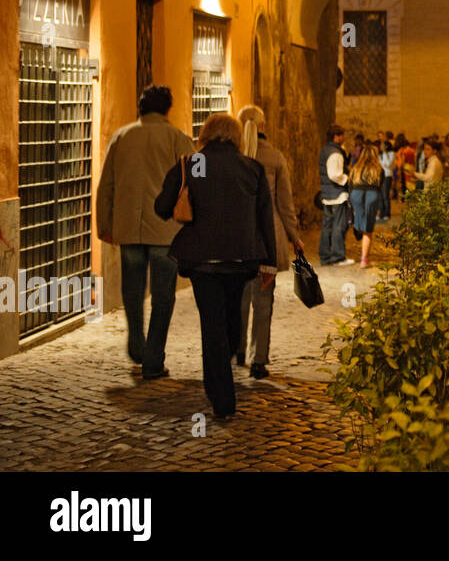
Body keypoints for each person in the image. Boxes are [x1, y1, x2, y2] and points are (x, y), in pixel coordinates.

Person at [154, 114, 277, 418]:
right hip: (241, 259)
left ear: (205, 134)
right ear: (236, 137)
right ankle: (226, 372)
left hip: (204, 260)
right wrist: (269, 264)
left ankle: (221, 395)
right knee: (231, 319)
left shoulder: (194, 163)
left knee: (212, 325)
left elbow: (162, 207)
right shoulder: (251, 168)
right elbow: (265, 219)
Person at [95, 85, 195, 379]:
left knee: (132, 290)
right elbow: (195, 180)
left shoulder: (121, 137)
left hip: (129, 228)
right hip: (165, 230)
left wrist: (105, 226)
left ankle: (136, 344)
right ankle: (153, 358)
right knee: (163, 296)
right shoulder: (178, 138)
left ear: (141, 107)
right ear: (167, 108)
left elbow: (106, 185)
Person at [235, 105, 305, 379]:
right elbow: (285, 204)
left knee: (239, 298)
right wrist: (294, 236)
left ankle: (238, 350)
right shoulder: (275, 157)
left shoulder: (235, 158)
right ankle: (259, 359)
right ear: (263, 125)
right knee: (263, 301)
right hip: (268, 239)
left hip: (239, 238)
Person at [318, 124, 353, 266]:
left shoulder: (325, 150)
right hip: (337, 195)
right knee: (339, 225)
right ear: (336, 137)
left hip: (327, 195)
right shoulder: (335, 153)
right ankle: (338, 256)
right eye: (342, 135)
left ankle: (325, 255)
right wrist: (347, 179)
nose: (344, 138)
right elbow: (334, 174)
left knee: (327, 226)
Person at [349, 144, 384, 268]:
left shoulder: (355, 168)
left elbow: (350, 185)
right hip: (372, 194)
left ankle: (358, 227)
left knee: (359, 218)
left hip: (356, 194)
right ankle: (364, 260)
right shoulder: (378, 169)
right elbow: (380, 186)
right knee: (368, 229)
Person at [378, 138, 396, 222]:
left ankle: (387, 213)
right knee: (380, 195)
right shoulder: (380, 154)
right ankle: (381, 213)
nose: (380, 146)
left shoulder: (391, 154)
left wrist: (385, 153)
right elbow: (380, 164)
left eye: (382, 145)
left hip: (387, 175)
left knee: (385, 194)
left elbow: (387, 164)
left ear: (386, 146)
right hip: (381, 175)